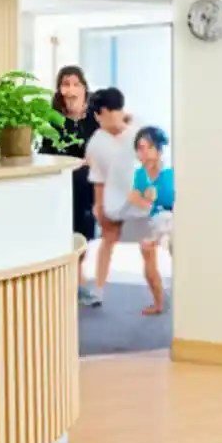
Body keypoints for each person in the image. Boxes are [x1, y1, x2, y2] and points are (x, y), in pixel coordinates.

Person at [39, 65, 103, 306]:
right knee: (64, 237)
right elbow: (45, 153)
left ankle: (75, 284)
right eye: (66, 84)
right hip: (62, 187)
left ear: (85, 89)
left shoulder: (95, 119)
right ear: (59, 90)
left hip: (89, 189)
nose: (71, 89)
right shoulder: (53, 119)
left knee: (83, 236)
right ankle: (71, 286)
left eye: (76, 84)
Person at [84, 87, 140, 307]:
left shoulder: (138, 132)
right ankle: (98, 290)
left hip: (142, 199)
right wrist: (99, 207)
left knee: (151, 246)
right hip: (114, 201)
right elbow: (98, 178)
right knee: (108, 242)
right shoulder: (96, 143)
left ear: (103, 112)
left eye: (97, 115)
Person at [127, 126, 174, 315]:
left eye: (147, 147)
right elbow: (135, 199)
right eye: (139, 148)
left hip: (176, 219)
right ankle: (158, 303)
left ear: (159, 150)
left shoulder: (172, 172)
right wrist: (145, 199)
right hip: (153, 220)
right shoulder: (140, 175)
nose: (142, 153)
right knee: (146, 248)